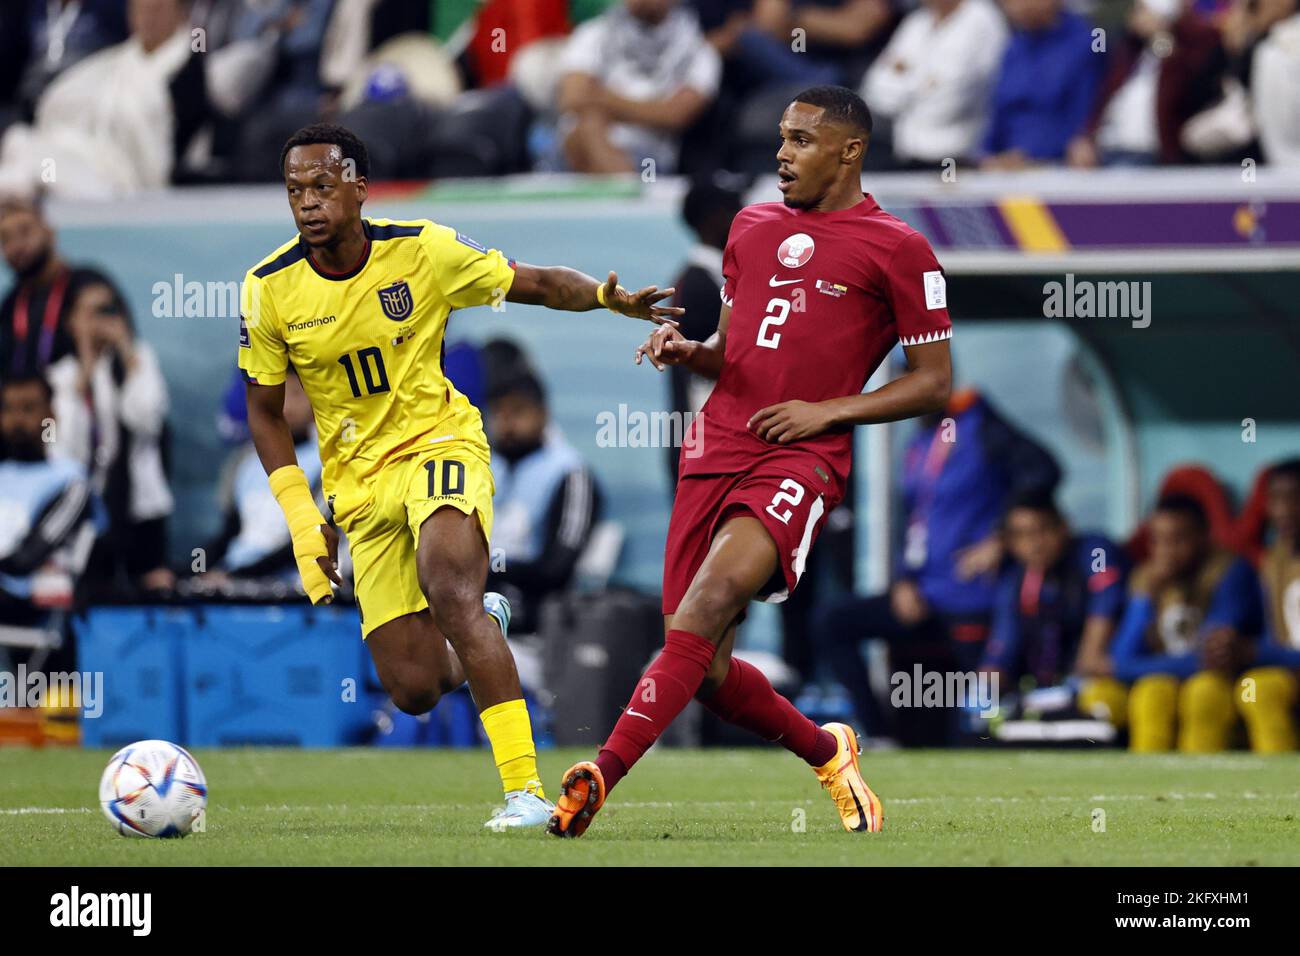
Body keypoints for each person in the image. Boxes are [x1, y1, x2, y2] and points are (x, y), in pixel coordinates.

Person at [238, 122, 681, 829]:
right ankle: (485, 622)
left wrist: (604, 297)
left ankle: (525, 792)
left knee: (449, 585)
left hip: (437, 445)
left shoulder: (423, 250)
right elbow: (264, 412)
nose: (308, 204)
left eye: (323, 186)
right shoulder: (268, 289)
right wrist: (299, 516)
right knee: (413, 687)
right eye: (295, 190)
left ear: (358, 188)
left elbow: (532, 282)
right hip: (358, 487)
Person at [547, 85, 953, 838]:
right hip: (714, 448)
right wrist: (687, 349)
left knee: (703, 610)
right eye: (781, 137)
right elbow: (734, 355)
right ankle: (828, 749)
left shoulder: (898, 247)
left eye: (801, 139)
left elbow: (936, 382)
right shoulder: (752, 226)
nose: (782, 153)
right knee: (702, 668)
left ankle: (599, 773)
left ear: (850, 150)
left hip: (799, 459)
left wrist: (828, 411)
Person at [813, 386, 1060, 743]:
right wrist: (904, 581)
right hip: (924, 595)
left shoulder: (981, 425)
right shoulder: (920, 442)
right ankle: (878, 734)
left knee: (969, 729)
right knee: (832, 622)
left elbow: (1044, 471)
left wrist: (1002, 539)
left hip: (972, 598)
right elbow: (917, 522)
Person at [1110, 495, 1290, 752]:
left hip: (1228, 677)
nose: (1166, 551)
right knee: (1150, 695)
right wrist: (1143, 601)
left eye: (1178, 540)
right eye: (1158, 541)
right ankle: (1149, 790)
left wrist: (1137, 667)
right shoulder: (1147, 579)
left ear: (1204, 536)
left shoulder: (1228, 571)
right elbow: (1120, 662)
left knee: (1204, 694)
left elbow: (1210, 658)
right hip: (1166, 676)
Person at [46, 278, 174, 597]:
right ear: (70, 321)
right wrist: (84, 375)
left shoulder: (140, 359)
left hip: (141, 505)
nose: (101, 321)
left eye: (108, 310)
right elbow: (65, 452)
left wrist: (127, 353)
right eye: (91, 313)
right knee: (91, 595)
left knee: (152, 593)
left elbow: (146, 420)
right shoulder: (61, 377)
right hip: (86, 510)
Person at [980, 490, 1129, 723]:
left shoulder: (1096, 551)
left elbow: (1106, 595)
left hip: (1104, 678)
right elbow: (1002, 643)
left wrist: (1090, 652)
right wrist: (986, 687)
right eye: (1022, 535)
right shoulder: (1013, 580)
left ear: (1064, 526)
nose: (1034, 544)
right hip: (1046, 690)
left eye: (1042, 530)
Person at [485, 367, 601, 635]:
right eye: (498, 412)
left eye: (518, 411)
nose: (506, 423)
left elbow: (557, 568)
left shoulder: (570, 473)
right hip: (473, 613)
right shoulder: (483, 465)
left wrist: (489, 569)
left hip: (536, 628)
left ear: (543, 414)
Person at [555, 0, 722, 174]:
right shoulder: (593, 33)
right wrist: (650, 110)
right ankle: (623, 188)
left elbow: (676, 115)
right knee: (588, 126)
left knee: (592, 121)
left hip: (649, 159)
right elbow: (572, 97)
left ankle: (623, 187)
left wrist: (602, 99)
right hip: (577, 145)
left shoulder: (699, 51)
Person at [0, 375, 96, 646]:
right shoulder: (4, 472)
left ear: (51, 416)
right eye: (8, 409)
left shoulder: (69, 479)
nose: (17, 420)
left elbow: (26, 558)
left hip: (24, 598)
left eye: (29, 408)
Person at [664, 174, 744, 486]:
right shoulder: (698, 286)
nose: (744, 213)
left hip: (718, 446)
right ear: (712, 219)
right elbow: (703, 374)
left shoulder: (714, 280)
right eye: (735, 207)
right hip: (707, 451)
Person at [861, 0, 1008, 167]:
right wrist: (926, 83)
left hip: (957, 154)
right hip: (907, 150)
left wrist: (906, 74)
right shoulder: (917, 22)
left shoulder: (983, 19)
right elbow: (876, 89)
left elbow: (950, 102)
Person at [980, 0, 1106, 168]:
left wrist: (1030, 156)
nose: (1012, 7)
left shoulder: (1088, 42)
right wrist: (987, 156)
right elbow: (999, 114)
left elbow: (1085, 117)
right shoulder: (1013, 48)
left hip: (1059, 168)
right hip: (1006, 167)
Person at [0, 197, 117, 378]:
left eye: (25, 232)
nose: (17, 246)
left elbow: (114, 356)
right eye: (6, 239)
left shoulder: (87, 285)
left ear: (49, 233)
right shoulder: (10, 305)